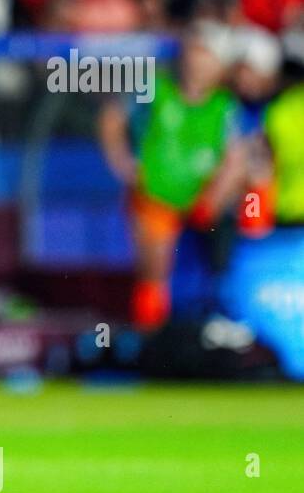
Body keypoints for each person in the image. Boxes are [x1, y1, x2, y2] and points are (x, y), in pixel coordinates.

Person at [98, 36, 244, 329]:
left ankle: (216, 329)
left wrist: (215, 198)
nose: (198, 68)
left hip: (203, 200)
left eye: (206, 61)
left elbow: (236, 158)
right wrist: (122, 162)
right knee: (153, 271)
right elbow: (111, 117)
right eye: (194, 59)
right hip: (157, 195)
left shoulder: (224, 106)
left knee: (221, 265)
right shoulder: (156, 89)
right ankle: (151, 340)